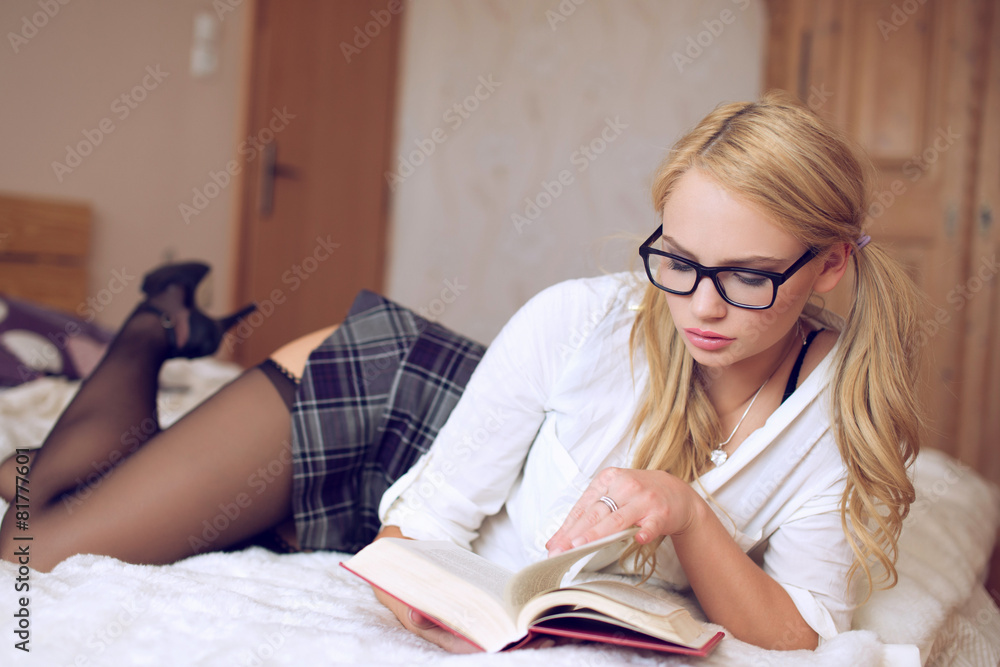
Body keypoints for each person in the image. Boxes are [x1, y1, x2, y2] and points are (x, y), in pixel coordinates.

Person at [0, 91, 921, 652]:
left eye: (749, 277)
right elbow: (424, 523)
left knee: (61, 503)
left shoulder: (830, 418)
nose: (701, 306)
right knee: (33, 553)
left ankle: (132, 350)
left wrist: (687, 513)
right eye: (676, 261)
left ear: (830, 265)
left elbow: (802, 632)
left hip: (437, 467)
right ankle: (150, 330)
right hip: (376, 396)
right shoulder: (580, 321)